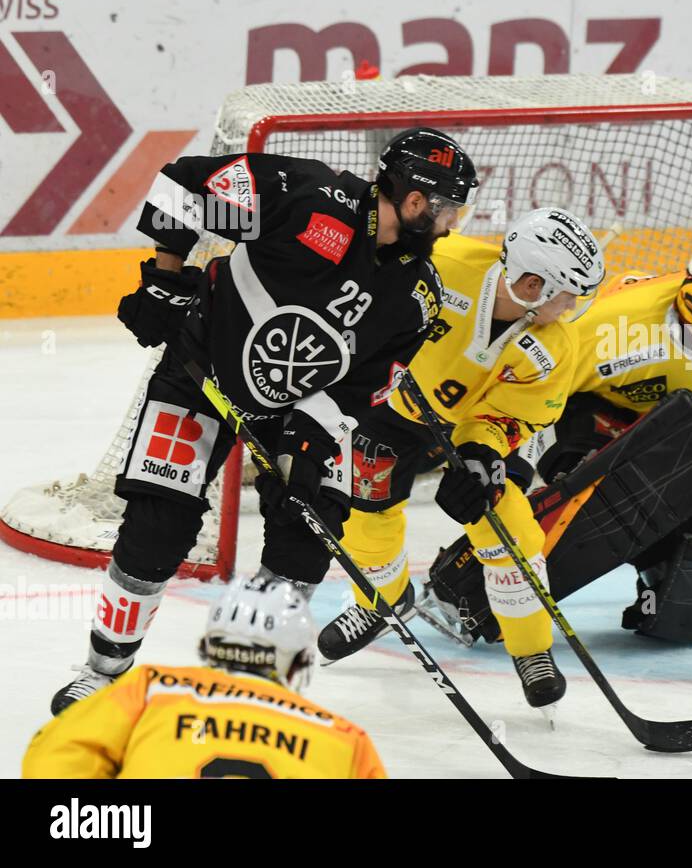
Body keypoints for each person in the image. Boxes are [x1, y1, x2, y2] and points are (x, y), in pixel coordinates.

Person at [49, 127, 473, 715]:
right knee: (157, 528)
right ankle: (102, 672)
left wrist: (309, 441)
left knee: (306, 537)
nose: (453, 225)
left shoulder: (416, 296)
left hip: (297, 412)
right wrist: (166, 280)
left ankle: (250, 686)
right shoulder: (308, 199)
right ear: (415, 199)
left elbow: (361, 391)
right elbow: (183, 184)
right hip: (201, 374)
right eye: (449, 208)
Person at [420, 241, 692, 647]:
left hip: (685, 441)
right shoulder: (613, 333)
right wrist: (504, 465)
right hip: (583, 418)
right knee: (612, 499)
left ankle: (658, 571)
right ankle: (475, 585)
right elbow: (522, 394)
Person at [317, 207, 605, 715]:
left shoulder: (557, 344)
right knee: (364, 515)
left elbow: (518, 413)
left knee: (506, 524)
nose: (573, 306)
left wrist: (480, 453)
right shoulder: (441, 264)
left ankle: (531, 649)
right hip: (386, 410)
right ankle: (383, 600)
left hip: (471, 428)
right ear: (533, 283)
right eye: (567, 294)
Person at [25, 576, 385, 778]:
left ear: (211, 639)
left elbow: (53, 759)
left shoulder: (151, 691)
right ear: (299, 655)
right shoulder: (346, 741)